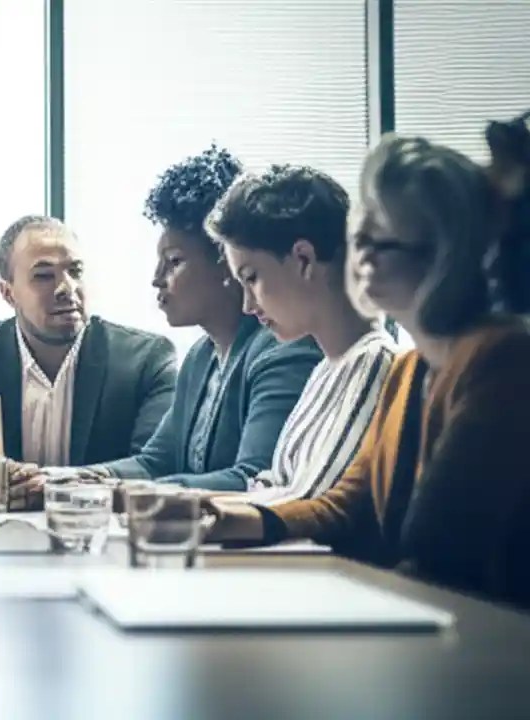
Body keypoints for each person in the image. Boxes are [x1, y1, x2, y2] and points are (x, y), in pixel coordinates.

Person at [205, 129, 530, 608]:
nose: (363, 253)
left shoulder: (501, 359)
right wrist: (233, 521)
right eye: (362, 235)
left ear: (444, 250)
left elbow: (438, 549)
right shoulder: (408, 369)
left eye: (384, 238)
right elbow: (345, 507)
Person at [89, 146, 322, 490]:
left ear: (226, 262)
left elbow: (253, 478)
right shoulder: (201, 356)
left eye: (174, 261)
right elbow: (156, 461)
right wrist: (71, 480)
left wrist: (121, 493)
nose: (156, 278)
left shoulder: (284, 349)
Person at [0, 215, 177, 509]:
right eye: (44, 276)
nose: (66, 288)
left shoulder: (144, 361)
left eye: (75, 271)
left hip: (99, 536)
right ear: (8, 293)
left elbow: (156, 467)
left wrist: (56, 485)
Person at [205, 165, 398, 504]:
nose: (248, 305)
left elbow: (308, 506)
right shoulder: (326, 369)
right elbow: (272, 487)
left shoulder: (374, 362)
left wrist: (177, 505)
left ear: (304, 259)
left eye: (251, 278)